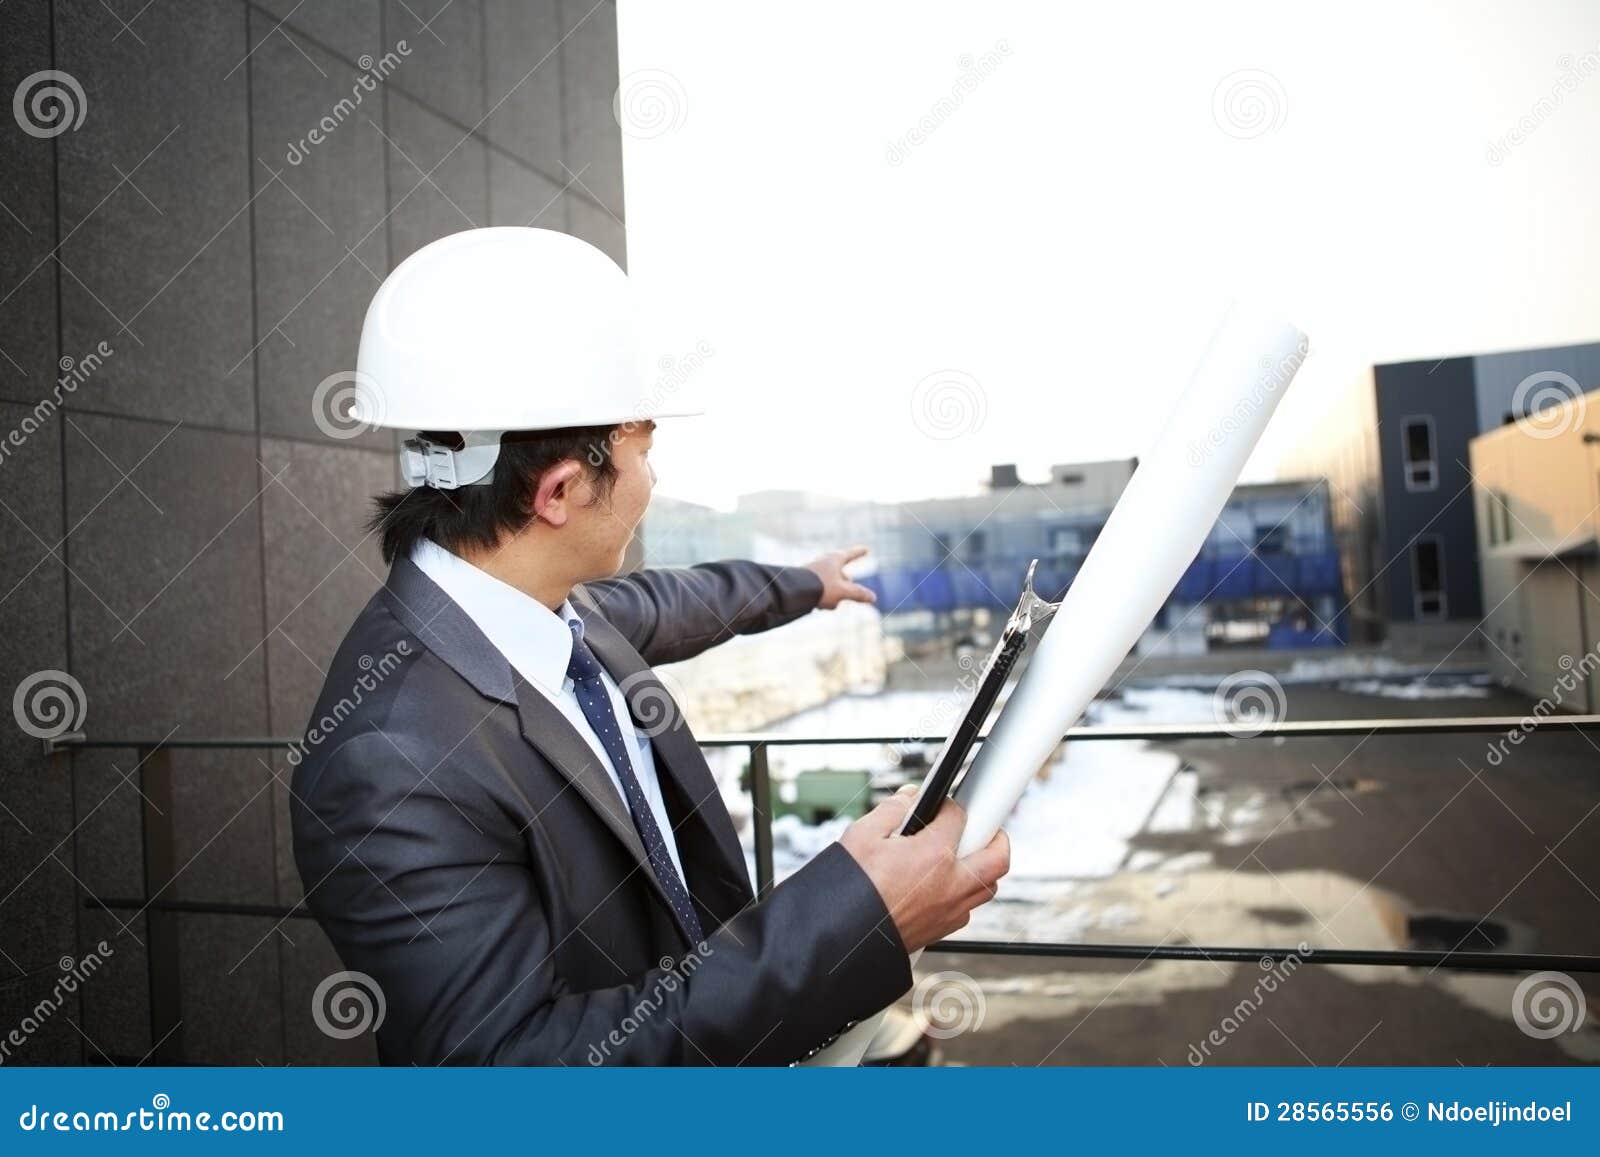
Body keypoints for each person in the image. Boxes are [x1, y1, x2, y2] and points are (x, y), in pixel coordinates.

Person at [291, 227, 1010, 1065]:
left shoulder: (543, 612)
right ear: (561, 489)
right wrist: (853, 924)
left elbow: (682, 600)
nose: (654, 480)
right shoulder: (388, 758)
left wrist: (806, 582)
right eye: (644, 451)